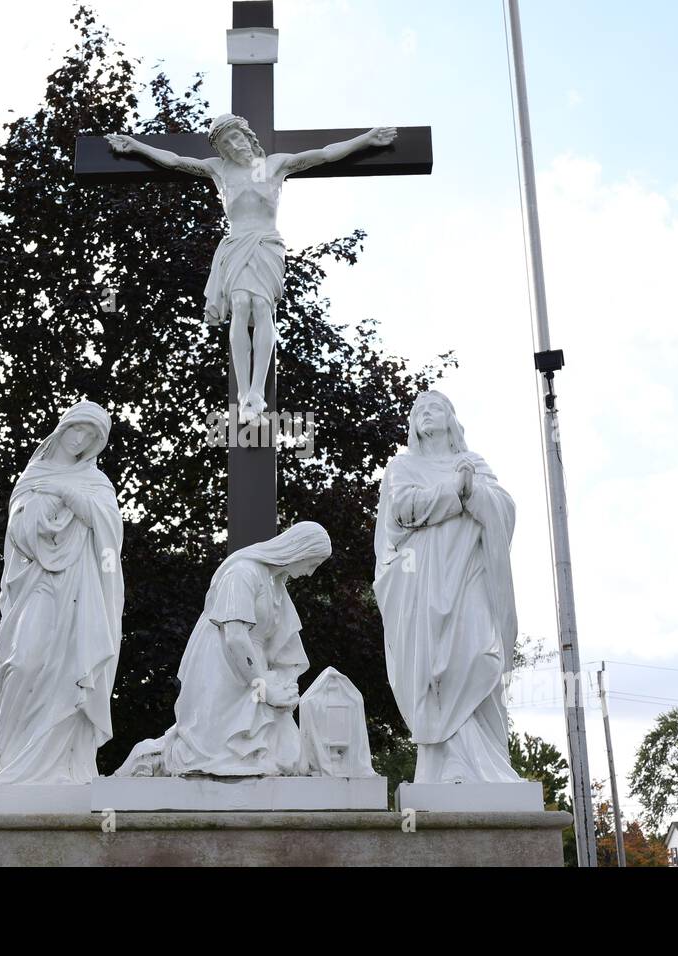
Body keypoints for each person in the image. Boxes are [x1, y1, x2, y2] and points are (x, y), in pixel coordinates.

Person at [106, 115, 397, 424]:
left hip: (266, 244)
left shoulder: (273, 165)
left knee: (262, 306)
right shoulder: (220, 171)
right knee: (241, 305)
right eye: (226, 144)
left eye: (237, 137)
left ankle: (258, 391)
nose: (234, 146)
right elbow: (175, 161)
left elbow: (325, 154)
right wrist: (137, 146)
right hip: (236, 245)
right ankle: (246, 394)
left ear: (248, 135)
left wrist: (365, 139)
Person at [373, 390, 522, 784]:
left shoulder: (472, 463)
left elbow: (503, 510)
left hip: (468, 575)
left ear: (451, 419)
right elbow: (402, 511)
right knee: (435, 670)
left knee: (480, 654)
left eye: (434, 407)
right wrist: (456, 493)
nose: (425, 413)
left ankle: (485, 763)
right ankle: (446, 764)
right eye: (418, 410)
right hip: (423, 580)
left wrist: (472, 491)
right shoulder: (402, 467)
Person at [116, 521, 332, 777]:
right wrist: (265, 689)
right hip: (224, 666)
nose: (310, 573)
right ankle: (154, 758)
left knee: (289, 757)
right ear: (298, 551)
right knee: (211, 752)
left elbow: (283, 644)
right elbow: (236, 637)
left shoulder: (276, 586)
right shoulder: (242, 572)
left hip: (254, 667)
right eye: (312, 564)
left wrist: (283, 681)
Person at [0, 401, 123, 785]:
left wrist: (69, 494)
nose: (80, 440)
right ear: (63, 429)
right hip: (38, 582)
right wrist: (47, 519)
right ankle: (15, 764)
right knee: (23, 663)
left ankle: (61, 767)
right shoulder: (33, 476)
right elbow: (20, 533)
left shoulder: (96, 483)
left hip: (79, 587)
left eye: (91, 436)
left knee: (70, 671)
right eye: (76, 429)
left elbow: (111, 535)